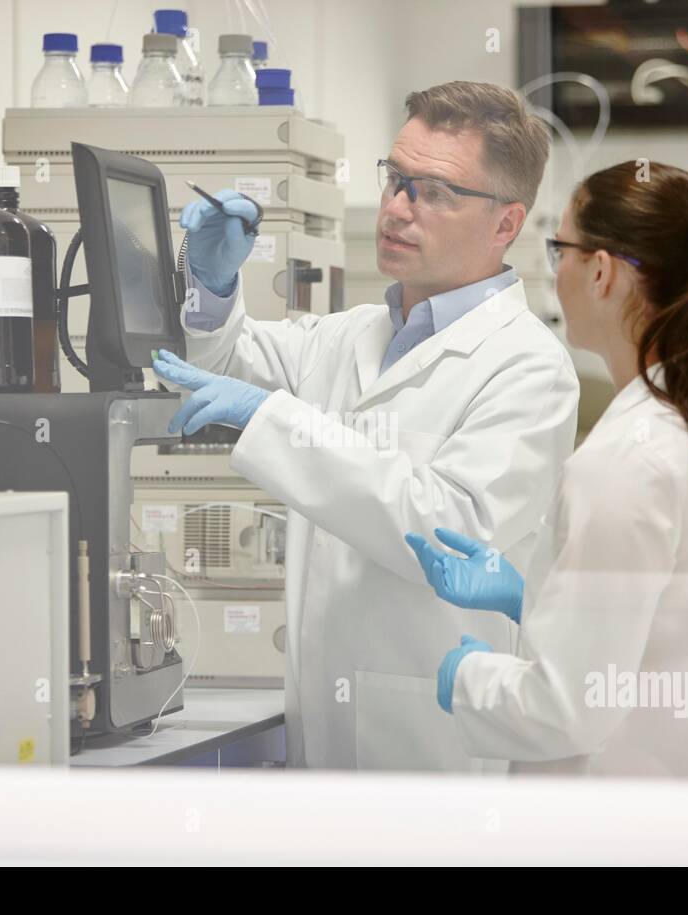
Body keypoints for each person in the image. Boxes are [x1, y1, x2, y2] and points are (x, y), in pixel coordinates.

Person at [151, 81, 580, 771]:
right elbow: (217, 364)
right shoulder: (352, 335)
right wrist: (211, 284)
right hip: (321, 728)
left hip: (430, 750)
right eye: (395, 179)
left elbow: (449, 527)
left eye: (434, 192)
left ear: (507, 224)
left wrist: (272, 418)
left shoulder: (529, 368)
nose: (397, 208)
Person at [406, 161, 688, 778]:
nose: (555, 273)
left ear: (601, 270)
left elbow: (567, 707)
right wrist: (534, 598)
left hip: (619, 820)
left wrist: (468, 677)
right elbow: (661, 624)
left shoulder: (627, 460)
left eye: (561, 250)